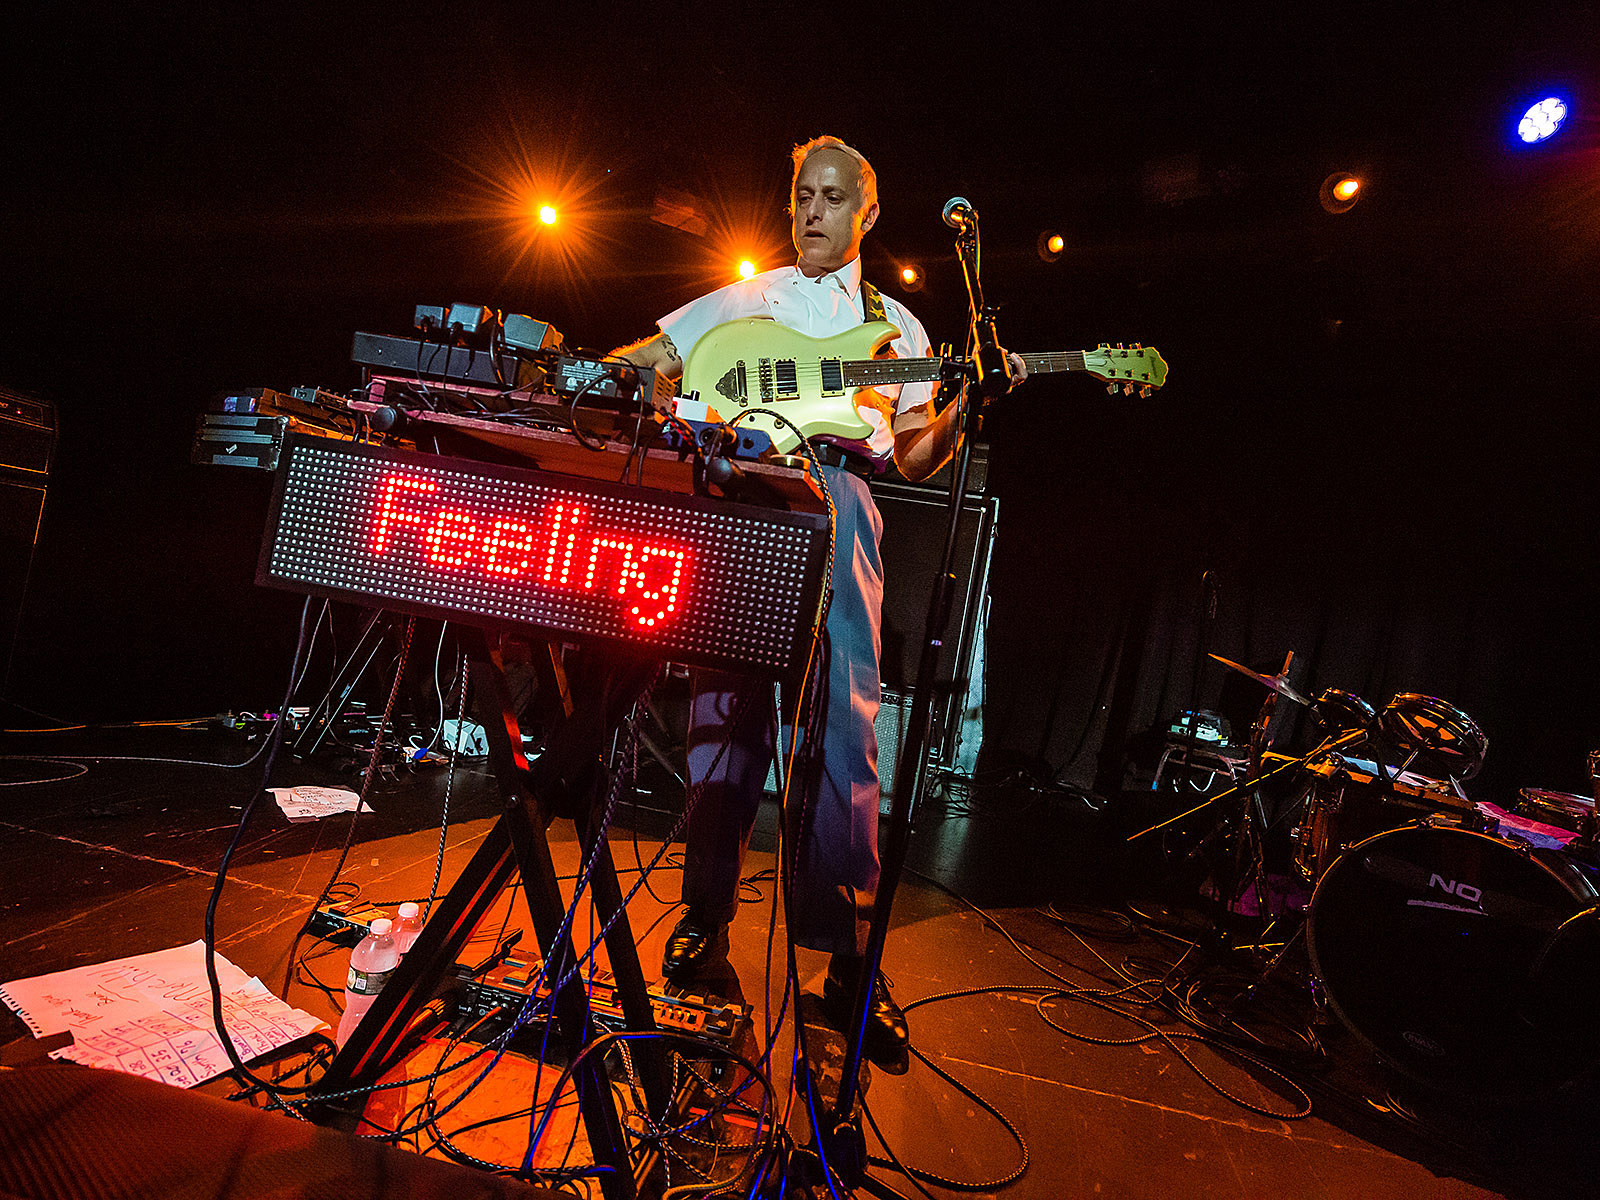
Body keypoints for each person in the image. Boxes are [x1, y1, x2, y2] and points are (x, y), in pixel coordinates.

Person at [616, 136, 1021, 1063]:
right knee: (725, 711)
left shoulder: (900, 329)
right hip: (746, 497)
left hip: (840, 499)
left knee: (849, 727)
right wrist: (635, 378)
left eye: (834, 198)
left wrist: (967, 408)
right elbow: (646, 359)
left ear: (867, 216)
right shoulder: (745, 293)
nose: (812, 212)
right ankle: (704, 921)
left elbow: (915, 450)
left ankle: (845, 959)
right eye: (803, 194)